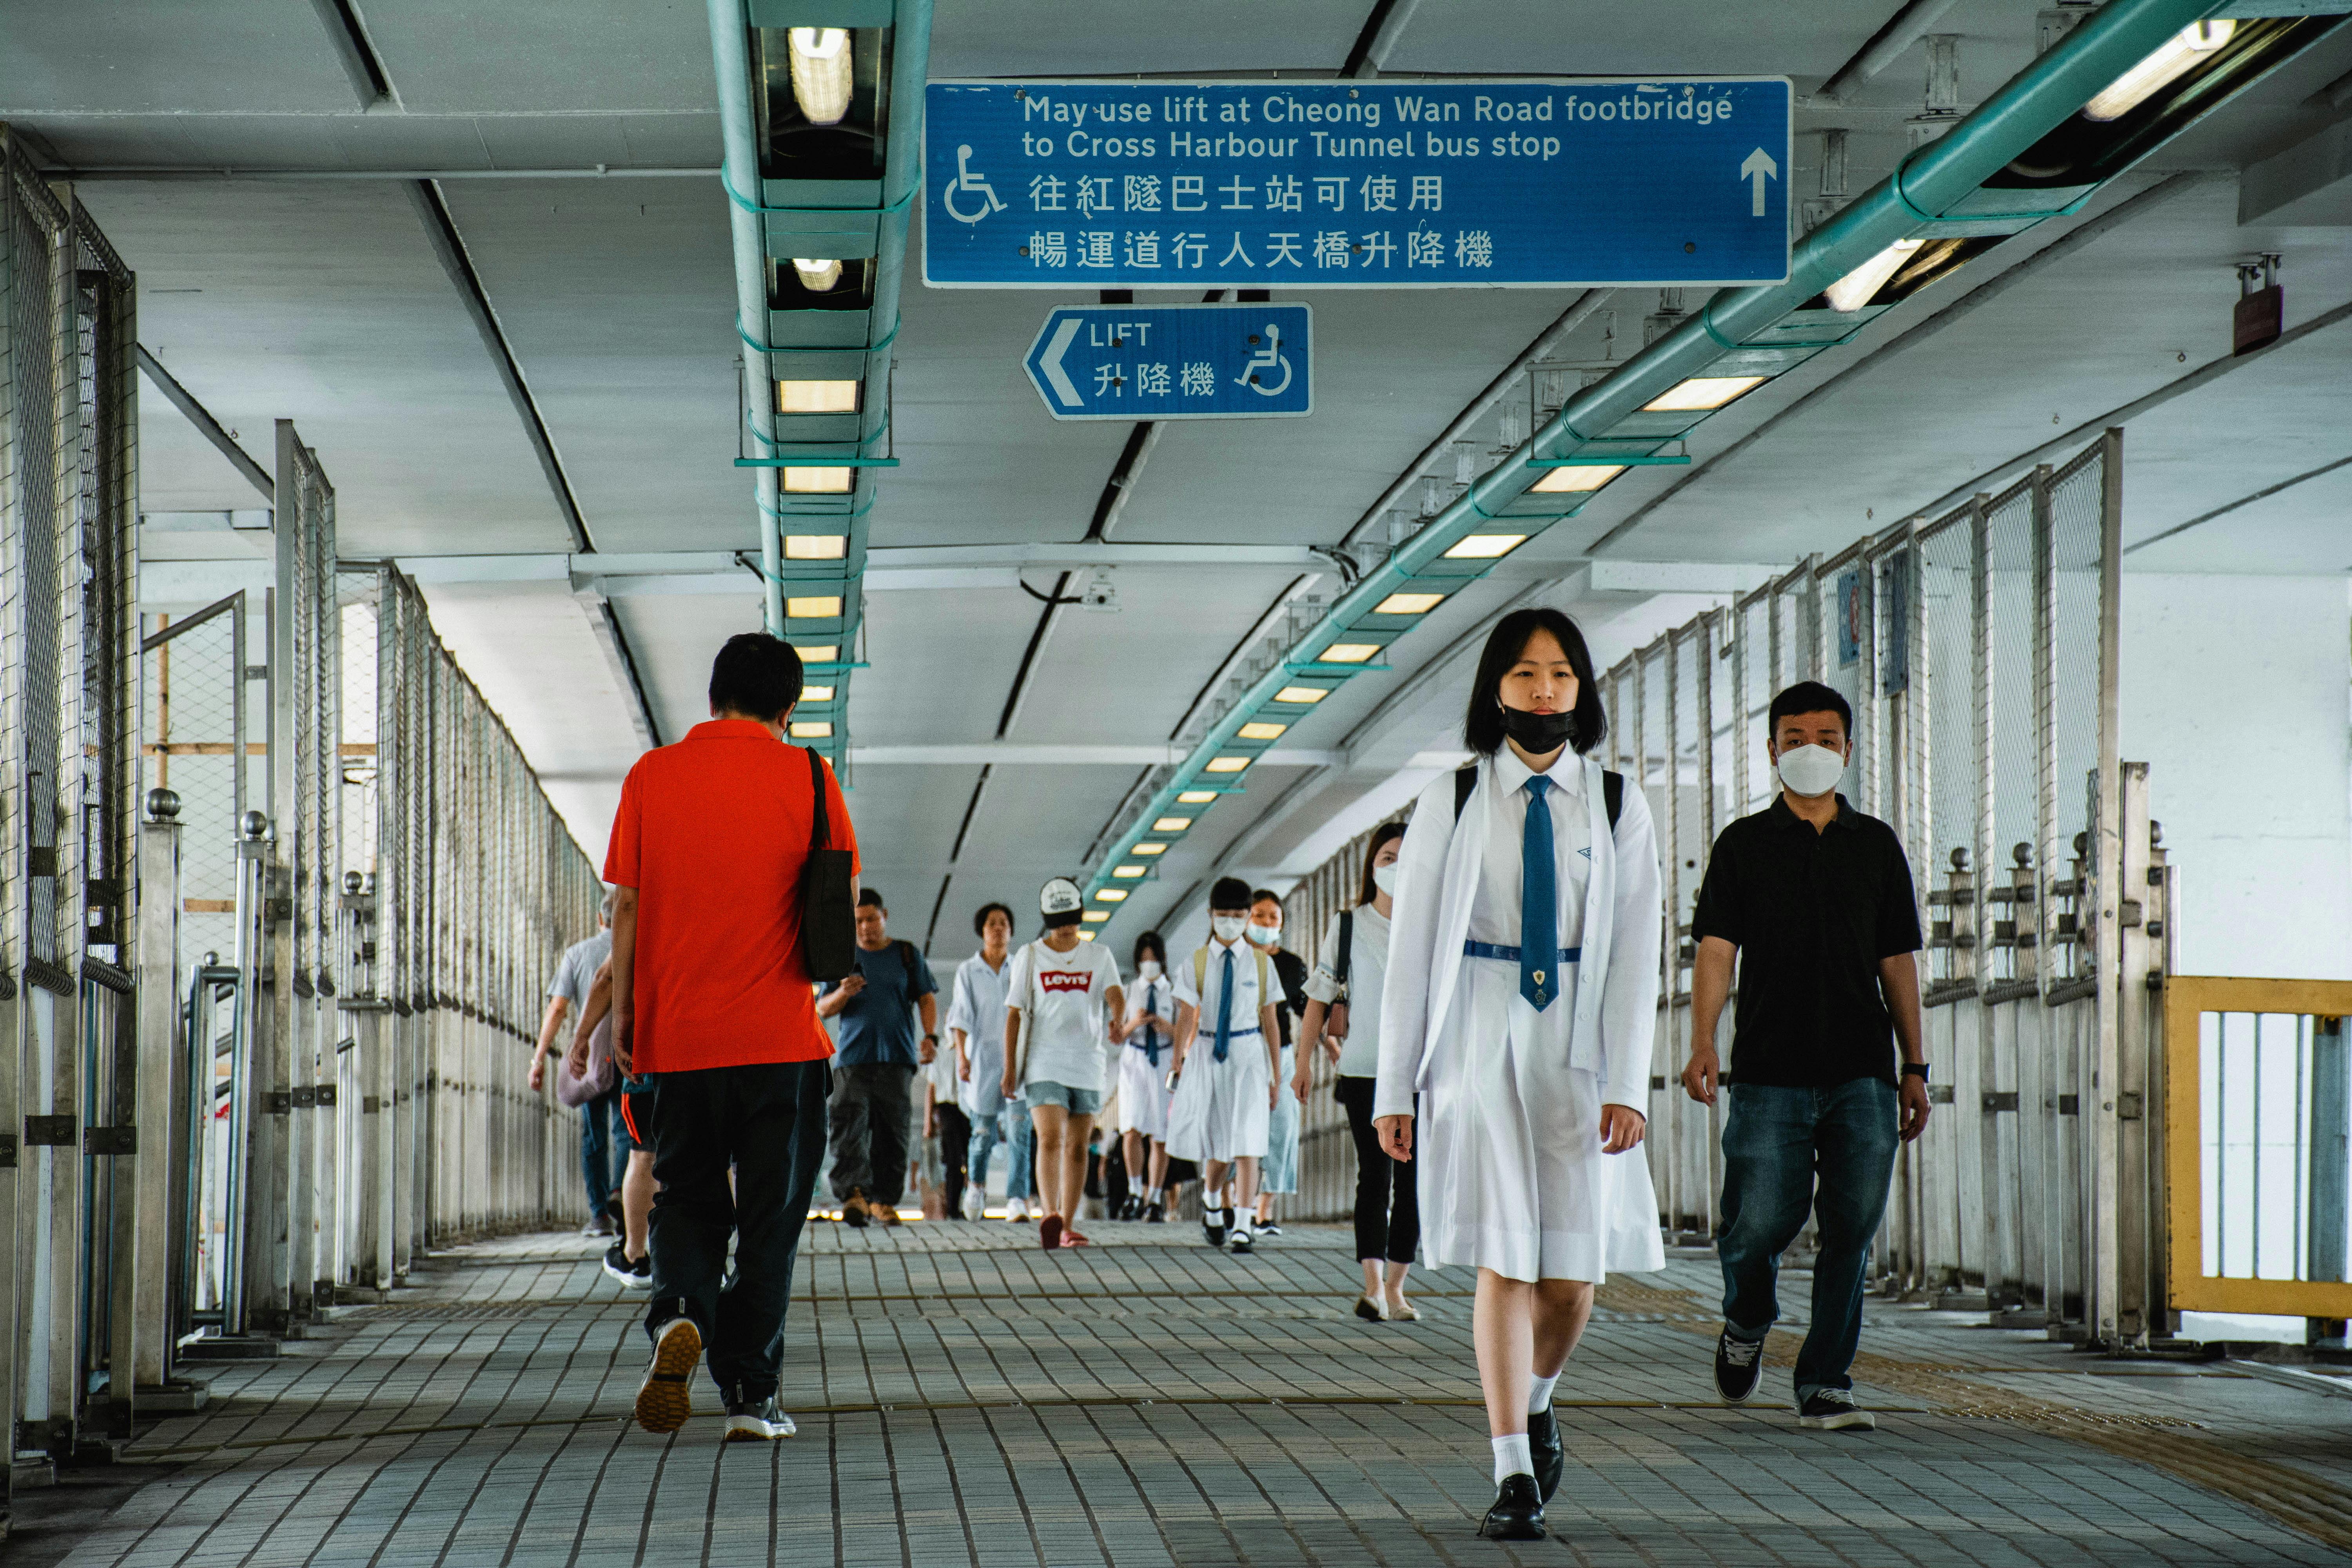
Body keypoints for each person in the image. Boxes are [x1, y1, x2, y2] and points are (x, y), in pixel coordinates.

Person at [1375, 605, 1664, 1541]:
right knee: (1506, 1256)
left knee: (1573, 1276)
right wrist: (1394, 1087)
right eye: (1526, 674)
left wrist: (1629, 1082)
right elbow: (1411, 951)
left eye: (1561, 676)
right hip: (1478, 1036)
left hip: (1581, 1041)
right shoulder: (1452, 800)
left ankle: (1538, 1399)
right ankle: (1511, 1469)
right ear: (1493, 686)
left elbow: (1637, 955)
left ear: (1582, 691)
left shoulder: (1619, 802)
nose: (1544, 691)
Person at [606, 632, 853, 1442]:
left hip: (679, 1037)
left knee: (687, 1195)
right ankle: (751, 1392)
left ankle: (679, 1309)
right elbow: (835, 892)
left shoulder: (653, 775)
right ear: (790, 705)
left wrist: (628, 1017)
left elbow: (629, 909)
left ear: (710, 697)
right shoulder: (812, 777)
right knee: (773, 1216)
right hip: (782, 1038)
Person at [1681, 679, 1930, 1433]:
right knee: (1756, 1224)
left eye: (1826, 739)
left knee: (1852, 1227)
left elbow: (1898, 964)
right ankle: (1747, 1321)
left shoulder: (1877, 846)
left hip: (1861, 1072)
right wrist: (1702, 1042)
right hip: (1766, 1072)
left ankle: (1825, 1380)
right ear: (1771, 752)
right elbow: (1718, 953)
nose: (1811, 752)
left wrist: (1914, 1067)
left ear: (1849, 751)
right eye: (1795, 740)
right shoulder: (1743, 846)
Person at [1298, 821, 1417, 1322]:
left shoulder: (1433, 923)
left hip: (1421, 1073)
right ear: (1372, 867)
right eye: (1388, 857)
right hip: (1365, 1068)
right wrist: (1303, 1060)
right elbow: (1319, 999)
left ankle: (1397, 1287)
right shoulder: (1348, 924)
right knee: (1375, 1176)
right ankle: (1371, 1286)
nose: (1396, 865)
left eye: (1407, 857)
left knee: (1414, 1182)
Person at [1001, 878, 1125, 1250]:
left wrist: (1117, 1017)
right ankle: (1050, 1214)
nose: (1066, 927)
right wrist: (1011, 1068)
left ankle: (1068, 1224)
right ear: (1047, 920)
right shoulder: (1030, 955)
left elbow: (1115, 993)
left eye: (1072, 918)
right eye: (1059, 920)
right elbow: (1014, 1014)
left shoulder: (1099, 955)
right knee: (1051, 1138)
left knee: (1078, 1146)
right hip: (1043, 1060)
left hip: (1087, 1061)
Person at [1167, 877, 1282, 1256]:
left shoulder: (1263, 964)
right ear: (1211, 916)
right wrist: (1177, 1060)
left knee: (1248, 1141)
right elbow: (1186, 1013)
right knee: (1218, 1146)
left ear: (1249, 916)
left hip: (1249, 1054)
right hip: (1207, 1051)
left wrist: (1276, 1075)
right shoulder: (1196, 962)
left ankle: (1245, 1224)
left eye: (1238, 915)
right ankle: (1213, 1201)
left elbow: (1271, 1022)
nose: (1231, 922)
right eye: (1223, 915)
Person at [817, 890, 940, 1229]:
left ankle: (884, 1201)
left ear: (884, 915)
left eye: (871, 919)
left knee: (893, 1131)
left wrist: (930, 1037)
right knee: (848, 1128)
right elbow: (821, 1009)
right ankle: (854, 1196)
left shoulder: (905, 954)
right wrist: (844, 991)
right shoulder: (843, 956)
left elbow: (926, 999)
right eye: (858, 922)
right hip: (853, 1060)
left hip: (897, 1059)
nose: (865, 927)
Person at [530, 890, 617, 1236]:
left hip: (591, 1058)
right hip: (630, 1053)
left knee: (593, 1133)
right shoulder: (637, 948)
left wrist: (539, 1058)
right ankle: (622, 1197)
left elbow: (557, 1009)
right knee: (628, 1132)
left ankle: (599, 1215)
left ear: (600, 920)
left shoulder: (577, 954)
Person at [568, 957, 653, 1288]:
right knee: (713, 1156)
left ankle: (635, 1257)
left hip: (653, 1048)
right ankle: (714, 1259)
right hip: (714, 1052)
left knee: (644, 1152)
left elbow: (607, 976)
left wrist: (581, 1038)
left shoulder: (645, 905)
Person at [1247, 888, 1310, 1236]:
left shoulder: (1290, 964)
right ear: (1247, 918)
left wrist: (1331, 1046)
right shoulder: (1235, 959)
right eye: (1260, 915)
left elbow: (1306, 1010)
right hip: (1241, 1052)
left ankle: (1264, 1211)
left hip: (1281, 1054)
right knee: (1237, 1129)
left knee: (1283, 1129)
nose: (1267, 923)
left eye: (1273, 917)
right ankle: (1229, 1203)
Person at [947, 902, 1015, 1220]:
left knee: (1019, 1131)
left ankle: (1017, 1197)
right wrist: (962, 1056)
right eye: (992, 924)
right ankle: (975, 1186)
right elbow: (961, 1016)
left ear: (1011, 931)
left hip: (1017, 1060)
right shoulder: (968, 971)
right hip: (983, 1061)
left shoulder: (1020, 968)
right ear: (982, 931)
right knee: (983, 1134)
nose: (998, 928)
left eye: (1004, 923)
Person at [1116, 931, 1178, 1221]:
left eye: (1153, 959)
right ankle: (1134, 1190)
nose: (1149, 965)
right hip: (1135, 1057)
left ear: (1163, 960)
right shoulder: (1128, 991)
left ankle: (1154, 1198)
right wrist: (1134, 1024)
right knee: (1131, 1127)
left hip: (1163, 1057)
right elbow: (1115, 1035)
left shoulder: (1176, 992)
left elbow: (1188, 1034)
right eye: (1144, 960)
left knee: (1160, 1134)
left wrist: (1169, 1028)